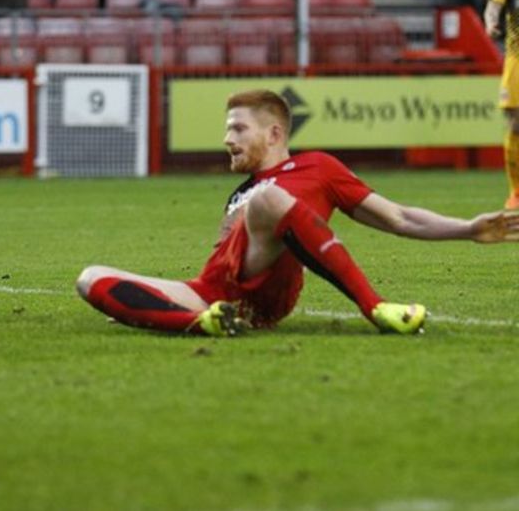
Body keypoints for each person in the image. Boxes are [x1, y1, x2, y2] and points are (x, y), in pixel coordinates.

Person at [77, 89, 519, 336]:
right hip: (213, 289)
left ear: (273, 133)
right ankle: (201, 323)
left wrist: (468, 228)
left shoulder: (317, 168)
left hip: (265, 293)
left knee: (268, 201)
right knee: (90, 277)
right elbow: (223, 260)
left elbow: (398, 217)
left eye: (237, 128)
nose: (227, 139)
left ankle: (377, 308)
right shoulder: (243, 190)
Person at [484, 0, 519, 209]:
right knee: (516, 124)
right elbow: (493, 6)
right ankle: (516, 193)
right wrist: (491, 22)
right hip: (517, 59)